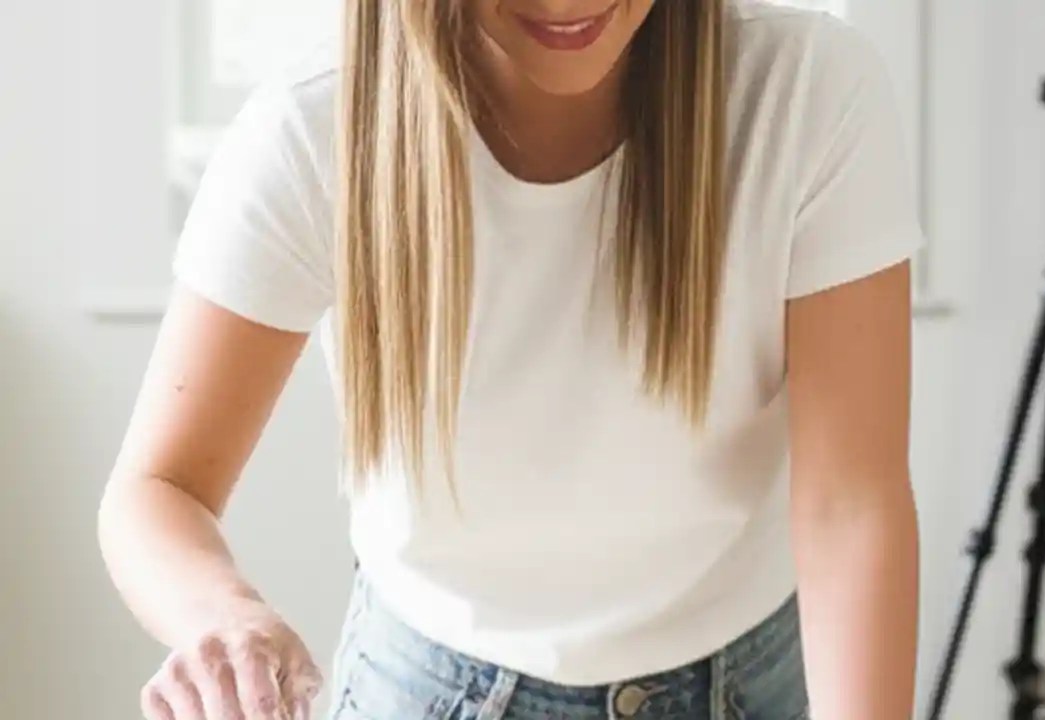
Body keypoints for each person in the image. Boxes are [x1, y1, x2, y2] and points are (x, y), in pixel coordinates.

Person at [98, 0, 923, 717]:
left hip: (748, 683)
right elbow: (156, 489)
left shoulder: (809, 91)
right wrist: (226, 619)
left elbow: (850, 507)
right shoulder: (311, 135)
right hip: (424, 689)